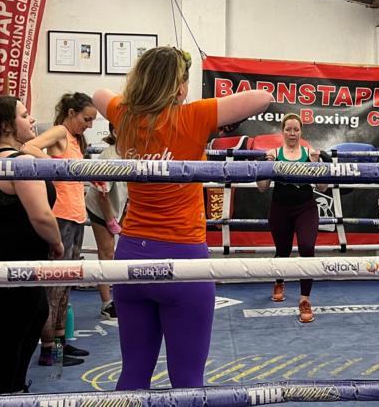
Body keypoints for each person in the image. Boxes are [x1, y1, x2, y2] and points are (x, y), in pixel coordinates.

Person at [92, 46, 273, 390]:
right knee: (187, 379)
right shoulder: (193, 116)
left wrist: (134, 98)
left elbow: (99, 94)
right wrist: (201, 109)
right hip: (183, 258)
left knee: (133, 373)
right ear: (179, 86)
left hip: (130, 255)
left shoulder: (124, 115)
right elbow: (263, 97)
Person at [0, 96, 63, 394]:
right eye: (24, 114)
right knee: (13, 330)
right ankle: (5, 395)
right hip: (13, 255)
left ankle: (15, 388)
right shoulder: (20, 163)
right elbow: (41, 216)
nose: (31, 119)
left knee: (33, 317)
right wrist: (57, 243)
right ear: (8, 125)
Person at [23, 92, 98, 367]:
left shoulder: (76, 140)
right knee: (54, 284)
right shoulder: (59, 131)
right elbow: (28, 147)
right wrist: (54, 166)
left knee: (66, 282)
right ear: (70, 112)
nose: (88, 125)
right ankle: (49, 350)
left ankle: (60, 342)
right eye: (86, 119)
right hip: (61, 217)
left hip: (75, 216)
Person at [257, 113, 327, 323]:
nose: (292, 133)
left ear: (301, 132)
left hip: (306, 208)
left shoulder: (309, 153)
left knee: (307, 248)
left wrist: (317, 166)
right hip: (280, 209)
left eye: (296, 129)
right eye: (289, 129)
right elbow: (262, 188)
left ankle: (304, 300)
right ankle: (279, 281)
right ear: (282, 131)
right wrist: (265, 166)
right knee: (283, 250)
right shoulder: (273, 153)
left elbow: (322, 188)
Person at [84, 124, 126, 320]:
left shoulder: (130, 151)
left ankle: (122, 298)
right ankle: (106, 303)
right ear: (116, 132)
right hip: (100, 207)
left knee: (124, 252)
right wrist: (110, 221)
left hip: (118, 205)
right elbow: (102, 196)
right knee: (107, 252)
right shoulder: (109, 156)